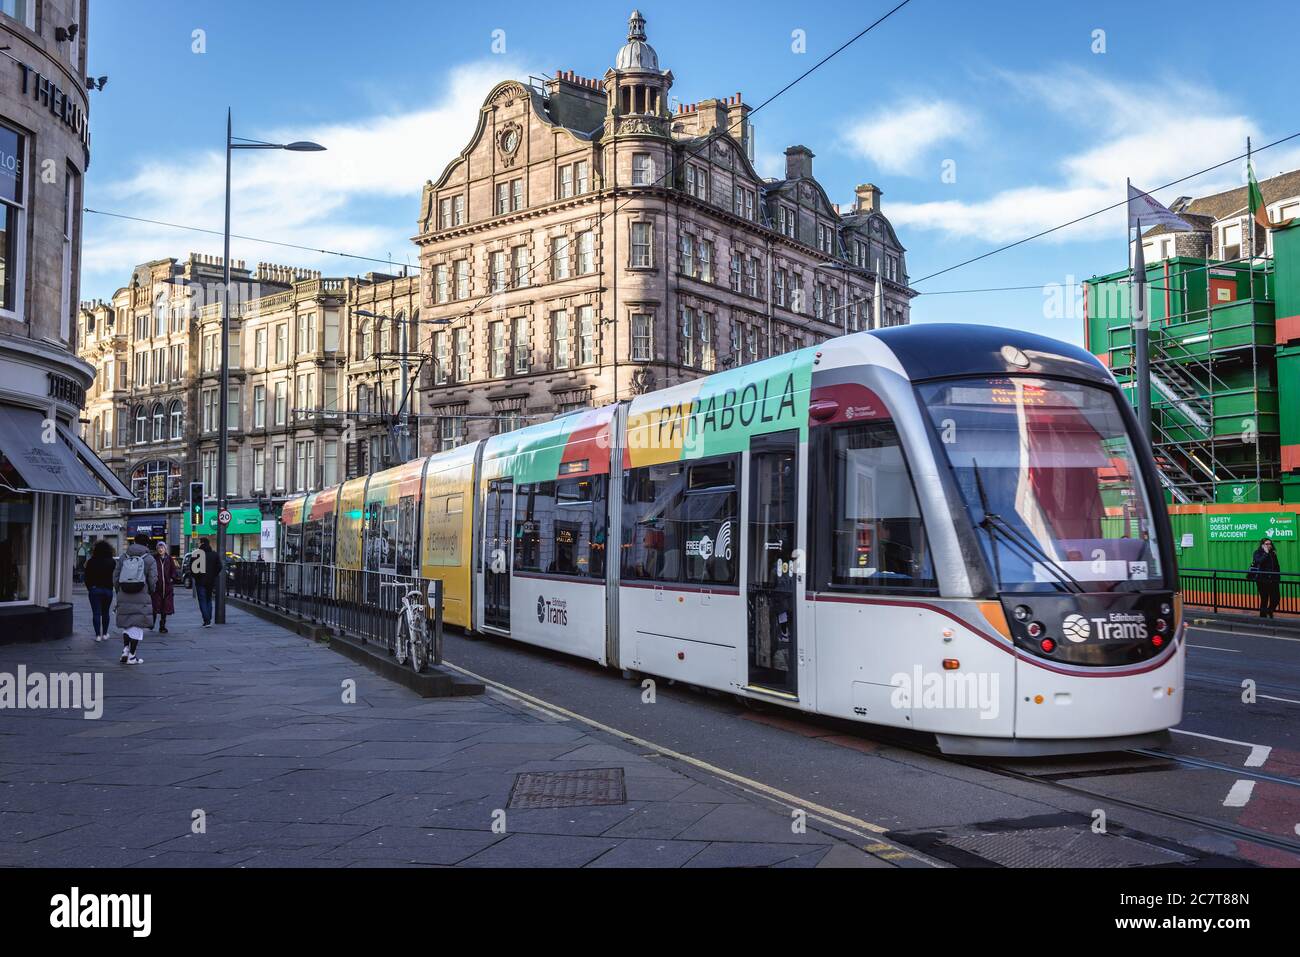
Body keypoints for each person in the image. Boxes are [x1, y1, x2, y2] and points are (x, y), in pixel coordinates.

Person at [114, 532, 157, 664]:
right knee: (137, 625)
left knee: (127, 624)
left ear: (134, 542)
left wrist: (119, 590)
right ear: (146, 544)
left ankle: (125, 650)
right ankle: (132, 656)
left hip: (124, 593)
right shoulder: (149, 559)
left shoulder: (123, 557)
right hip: (141, 594)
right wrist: (150, 591)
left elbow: (115, 577)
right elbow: (153, 579)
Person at [83, 540, 116, 641]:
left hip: (95, 589)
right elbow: (114, 577)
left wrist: (90, 588)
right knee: (106, 613)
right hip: (108, 590)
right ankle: (105, 634)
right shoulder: (112, 561)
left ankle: (97, 635)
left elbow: (86, 577)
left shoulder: (91, 562)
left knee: (96, 613)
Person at [1249, 537, 1282, 618]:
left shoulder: (1273, 553)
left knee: (1276, 598)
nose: (1269, 545)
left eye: (1270, 544)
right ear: (1262, 545)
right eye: (1266, 544)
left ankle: (1269, 611)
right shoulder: (1257, 552)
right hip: (1262, 580)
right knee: (1264, 599)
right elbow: (1259, 561)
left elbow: (1277, 566)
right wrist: (1266, 553)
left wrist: (1277, 577)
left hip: (1273, 580)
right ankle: (1263, 617)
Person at [194, 538, 222, 627]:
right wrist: (214, 574)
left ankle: (207, 620)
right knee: (208, 599)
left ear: (202, 543)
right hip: (211, 581)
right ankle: (208, 618)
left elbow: (192, 568)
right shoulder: (214, 554)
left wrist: (196, 576)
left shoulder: (197, 554)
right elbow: (219, 567)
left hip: (200, 581)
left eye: (199, 543)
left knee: (202, 600)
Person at [151, 541, 177, 633]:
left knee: (164, 608)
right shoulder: (154, 559)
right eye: (159, 548)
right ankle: (152, 622)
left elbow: (173, 570)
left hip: (167, 588)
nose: (160, 549)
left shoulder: (169, 559)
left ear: (165, 549)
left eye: (162, 548)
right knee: (155, 606)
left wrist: (172, 578)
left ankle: (162, 626)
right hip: (157, 587)